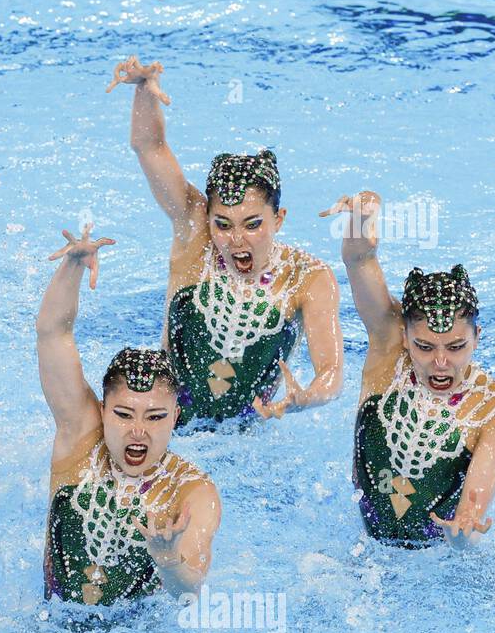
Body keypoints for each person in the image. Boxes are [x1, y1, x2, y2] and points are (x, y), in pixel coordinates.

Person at [109, 56, 343, 428]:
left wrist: (307, 397)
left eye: (252, 224)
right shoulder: (194, 237)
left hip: (249, 436)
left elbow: (331, 373)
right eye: (223, 224)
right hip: (165, 426)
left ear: (279, 220)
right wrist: (143, 90)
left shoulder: (308, 278)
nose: (236, 240)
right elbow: (149, 147)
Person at [37, 224, 220, 604]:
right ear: (102, 411)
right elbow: (53, 334)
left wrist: (169, 560)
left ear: (176, 416)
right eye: (123, 414)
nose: (138, 432)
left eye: (155, 417)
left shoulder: (192, 491)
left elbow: (193, 586)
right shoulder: (79, 438)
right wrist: (72, 266)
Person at [328, 192, 495, 547]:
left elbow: (474, 504)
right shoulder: (388, 351)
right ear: (404, 336)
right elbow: (358, 260)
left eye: (456, 346)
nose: (441, 362)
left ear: (477, 337)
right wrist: (359, 220)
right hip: (360, 549)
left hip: (435, 566)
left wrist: (462, 532)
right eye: (425, 346)